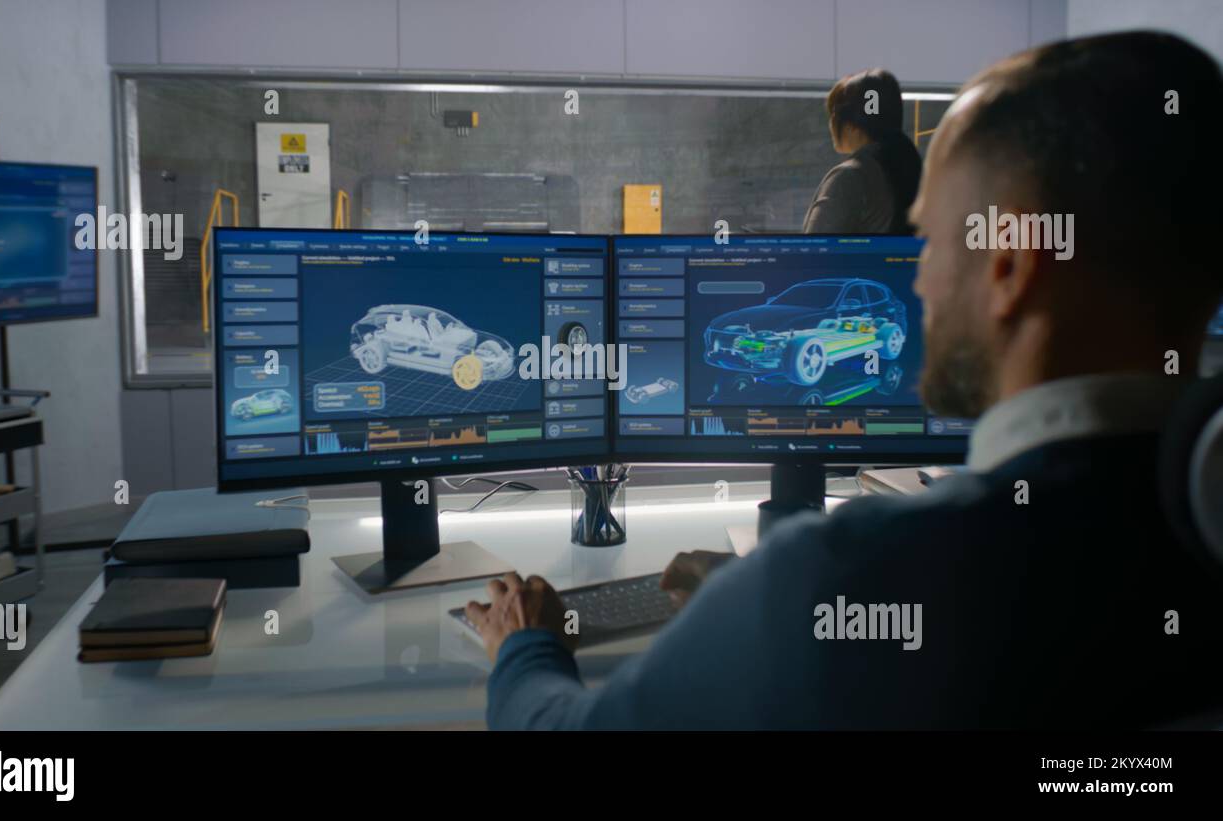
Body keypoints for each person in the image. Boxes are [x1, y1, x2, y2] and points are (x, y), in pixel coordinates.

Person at [466, 31, 1223, 730]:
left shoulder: (844, 575)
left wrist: (526, 646)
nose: (913, 278)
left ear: (1009, 265)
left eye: (926, 241)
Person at [802, 68, 923, 234]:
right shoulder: (915, 169)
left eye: (833, 114)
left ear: (851, 126)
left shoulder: (850, 178)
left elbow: (813, 253)